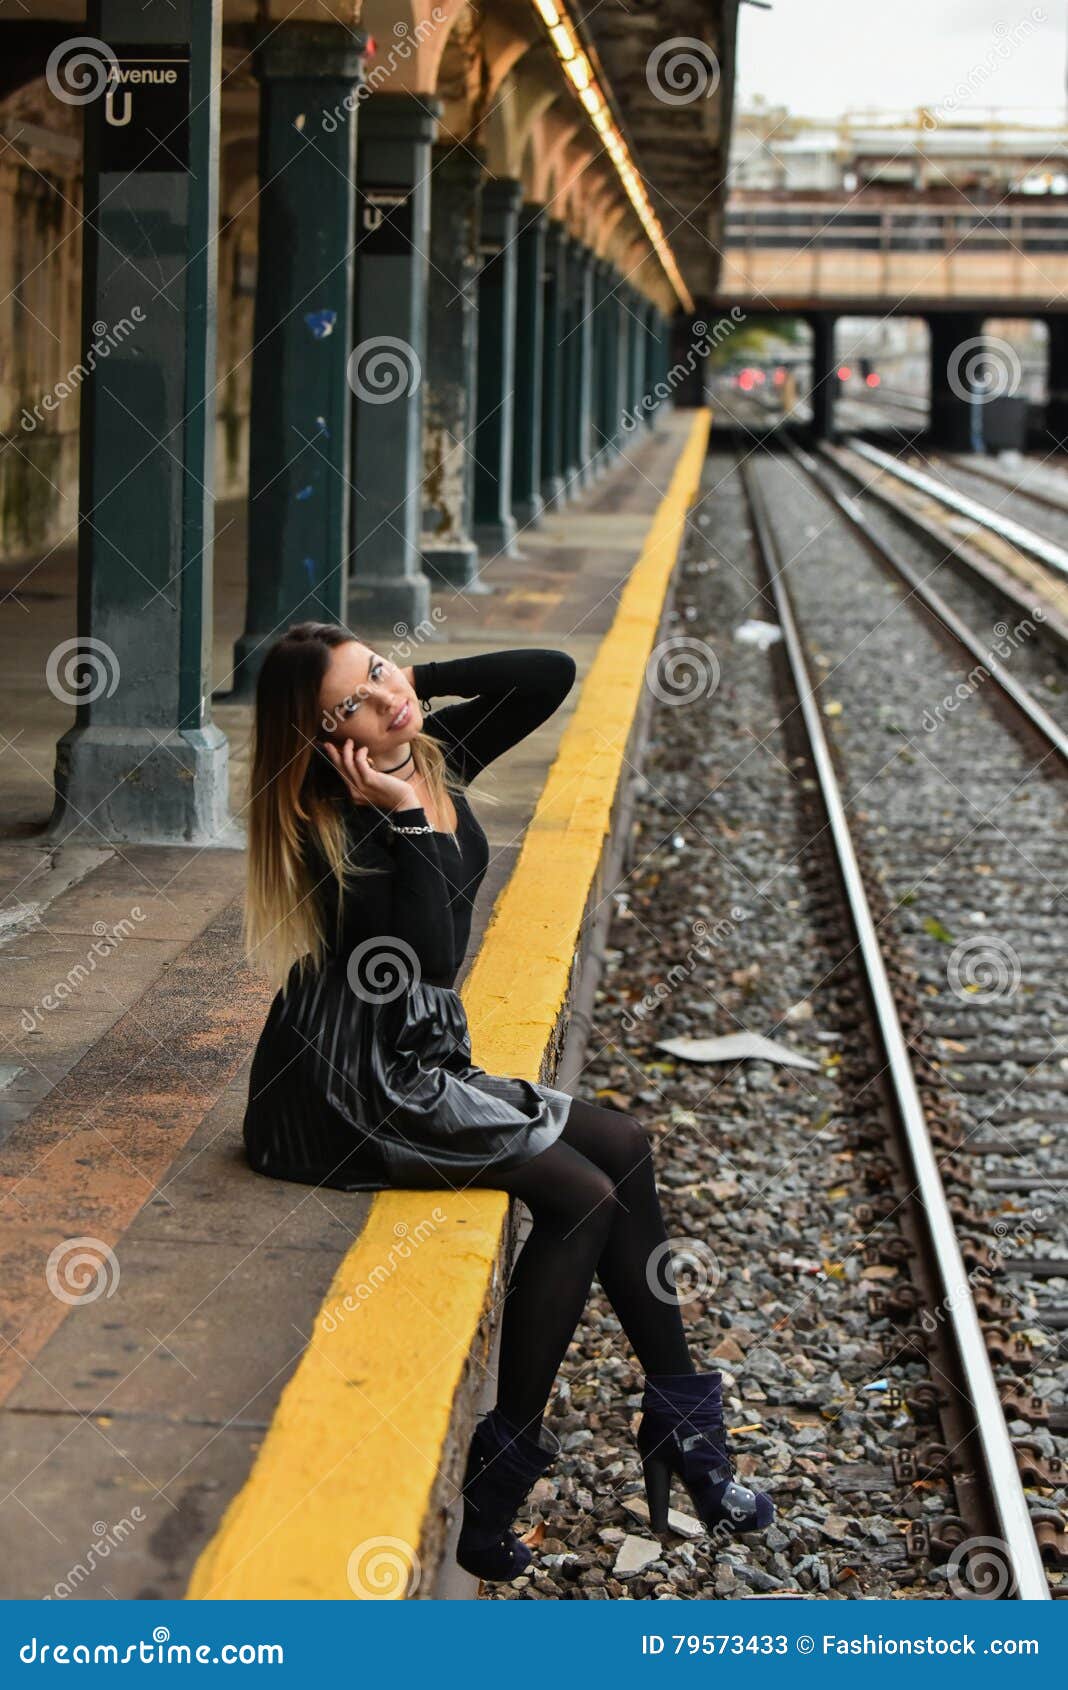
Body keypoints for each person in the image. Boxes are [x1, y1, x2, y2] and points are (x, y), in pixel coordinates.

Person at [241, 622, 774, 1583]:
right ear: (323, 737)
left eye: (379, 669)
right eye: (353, 701)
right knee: (582, 1198)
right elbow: (432, 958)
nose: (386, 699)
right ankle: (498, 1481)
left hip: (413, 1054)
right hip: (348, 1086)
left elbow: (548, 673)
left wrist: (413, 684)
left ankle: (685, 1423)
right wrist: (407, 815)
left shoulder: (422, 749)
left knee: (625, 1142)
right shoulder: (341, 819)